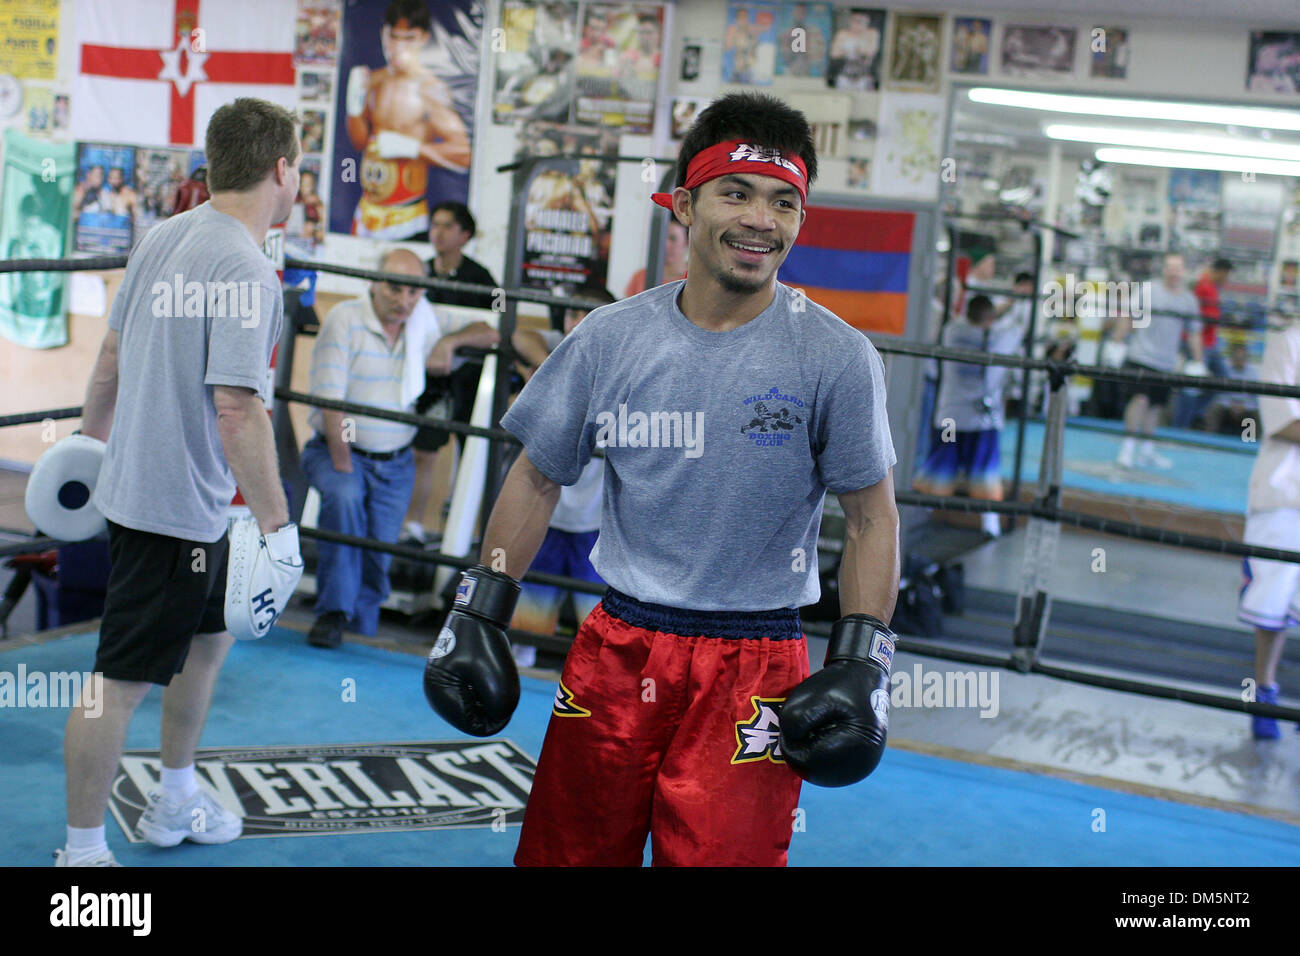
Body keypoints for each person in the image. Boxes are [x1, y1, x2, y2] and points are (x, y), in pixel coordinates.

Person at [424, 91, 900, 866]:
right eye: (737, 193)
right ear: (686, 203)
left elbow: (875, 518)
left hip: (755, 662)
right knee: (568, 856)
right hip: (620, 645)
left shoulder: (836, 357)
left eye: (784, 203)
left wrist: (862, 661)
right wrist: (479, 611)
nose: (761, 221)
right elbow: (537, 475)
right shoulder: (613, 337)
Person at [58, 98, 299, 866]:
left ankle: (174, 798)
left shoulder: (164, 235)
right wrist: (281, 527)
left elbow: (109, 359)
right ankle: (83, 851)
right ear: (282, 170)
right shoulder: (246, 266)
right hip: (171, 509)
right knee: (117, 681)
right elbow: (239, 409)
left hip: (188, 503)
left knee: (207, 642)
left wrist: (83, 450)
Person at [302, 249, 449, 648]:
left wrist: (447, 344)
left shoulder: (423, 320)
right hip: (338, 450)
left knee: (380, 545)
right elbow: (331, 399)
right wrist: (344, 463)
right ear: (374, 282)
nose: (404, 300)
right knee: (345, 506)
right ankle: (333, 614)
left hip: (396, 461)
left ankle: (362, 626)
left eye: (414, 292)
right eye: (395, 288)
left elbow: (490, 331)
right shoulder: (345, 319)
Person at [506, 286, 617, 667]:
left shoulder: (622, 361)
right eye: (572, 314)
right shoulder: (561, 347)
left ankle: (592, 699)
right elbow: (519, 334)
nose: (578, 322)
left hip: (595, 524)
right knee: (525, 632)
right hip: (546, 514)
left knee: (598, 636)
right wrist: (548, 366)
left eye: (588, 314)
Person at [403, 201, 502, 546]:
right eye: (435, 225)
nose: (438, 233)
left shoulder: (481, 278)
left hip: (469, 379)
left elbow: (497, 329)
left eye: (447, 226)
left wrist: (452, 342)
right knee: (422, 450)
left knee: (472, 453)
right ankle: (414, 526)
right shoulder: (421, 273)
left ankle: (465, 536)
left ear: (465, 235)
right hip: (429, 379)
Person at [345, 0, 471, 239]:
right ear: (383, 34)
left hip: (405, 214)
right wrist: (354, 109)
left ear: (423, 38)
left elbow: (464, 154)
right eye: (393, 36)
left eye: (409, 38)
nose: (398, 47)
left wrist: (411, 148)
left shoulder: (430, 89)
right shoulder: (374, 80)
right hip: (366, 211)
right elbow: (359, 142)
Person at [1238, 318, 1300, 738]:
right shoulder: (1287, 342)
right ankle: (1264, 693)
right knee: (1271, 606)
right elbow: (1281, 420)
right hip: (1284, 491)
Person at [912, 295, 1019, 537]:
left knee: (940, 464)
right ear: (990, 318)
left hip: (950, 416)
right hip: (983, 420)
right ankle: (990, 524)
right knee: (984, 473)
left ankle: (920, 516)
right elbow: (1015, 328)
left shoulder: (952, 331)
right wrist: (1013, 301)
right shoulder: (998, 337)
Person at [1112, 252, 1202, 469]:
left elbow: (1194, 332)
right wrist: (1116, 342)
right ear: (1163, 269)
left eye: (1177, 267)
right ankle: (1127, 448)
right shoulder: (1148, 289)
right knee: (1140, 400)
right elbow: (1129, 316)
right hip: (1141, 355)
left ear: (1184, 271)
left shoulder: (1188, 300)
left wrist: (1199, 362)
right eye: (1170, 267)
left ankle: (1146, 450)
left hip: (1166, 361)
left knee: (1155, 407)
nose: (1173, 271)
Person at [1174, 257, 1233, 429]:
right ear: (1221, 272)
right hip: (1198, 344)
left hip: (1210, 343)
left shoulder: (1212, 287)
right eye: (1226, 274)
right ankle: (1180, 425)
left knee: (1222, 380)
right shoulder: (1204, 287)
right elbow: (1200, 318)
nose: (1227, 278)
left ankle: (1194, 415)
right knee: (1191, 386)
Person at [623, 218, 688, 297]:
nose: (666, 244)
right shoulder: (640, 277)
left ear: (686, 243)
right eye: (662, 237)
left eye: (673, 238)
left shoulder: (691, 280)